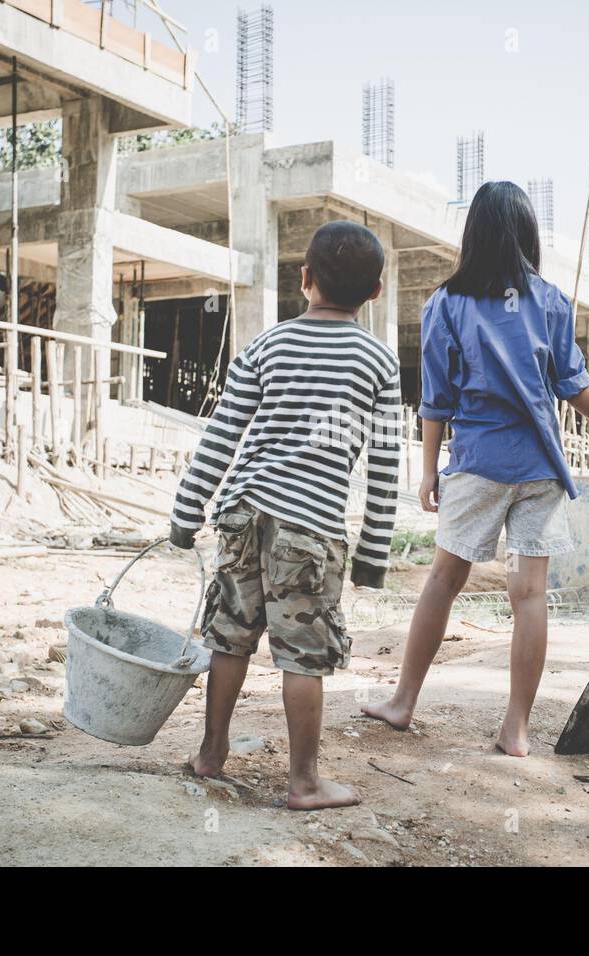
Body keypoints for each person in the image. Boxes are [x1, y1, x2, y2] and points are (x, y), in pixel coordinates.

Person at [361, 181, 589, 756]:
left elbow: (435, 401)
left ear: (474, 236)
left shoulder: (446, 304)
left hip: (478, 465)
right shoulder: (551, 302)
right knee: (529, 595)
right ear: (527, 236)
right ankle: (515, 730)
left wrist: (427, 471)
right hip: (540, 468)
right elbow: (575, 387)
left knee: (443, 580)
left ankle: (403, 702)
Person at [170, 220, 402, 809]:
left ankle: (210, 753)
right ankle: (303, 782)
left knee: (230, 637)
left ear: (304, 280)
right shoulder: (379, 363)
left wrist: (186, 507)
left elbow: (222, 434)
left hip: (244, 515)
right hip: (311, 526)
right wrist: (373, 553)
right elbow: (384, 465)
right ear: (376, 292)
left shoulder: (268, 345)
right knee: (304, 656)